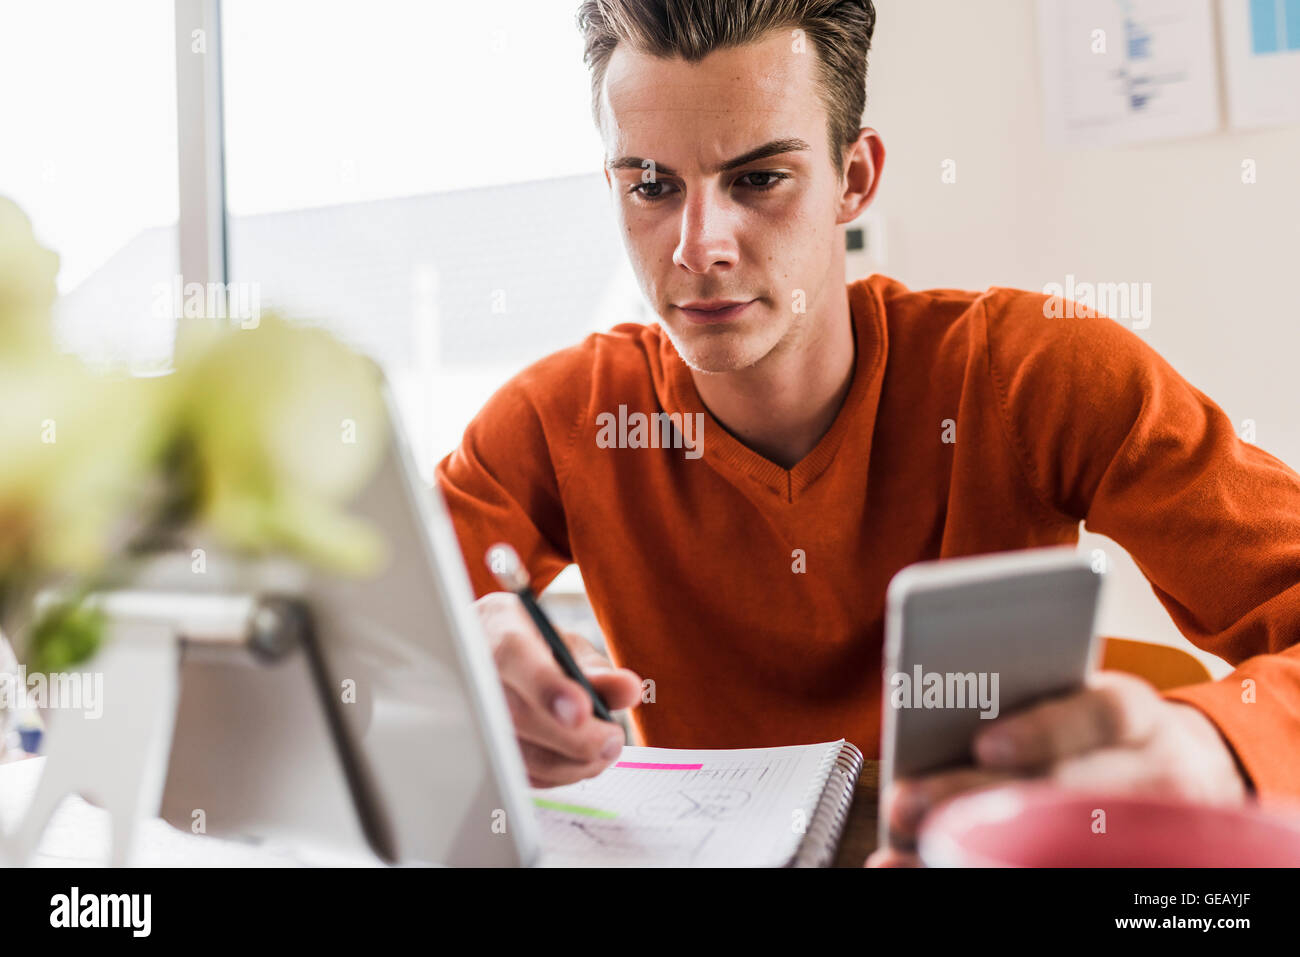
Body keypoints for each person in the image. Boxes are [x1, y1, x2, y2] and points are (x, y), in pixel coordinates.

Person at [435, 0, 1300, 866]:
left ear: (855, 177)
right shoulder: (560, 420)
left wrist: (1213, 750)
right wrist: (454, 679)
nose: (699, 248)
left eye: (759, 178)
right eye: (653, 186)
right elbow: (333, 663)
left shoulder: (1035, 374)